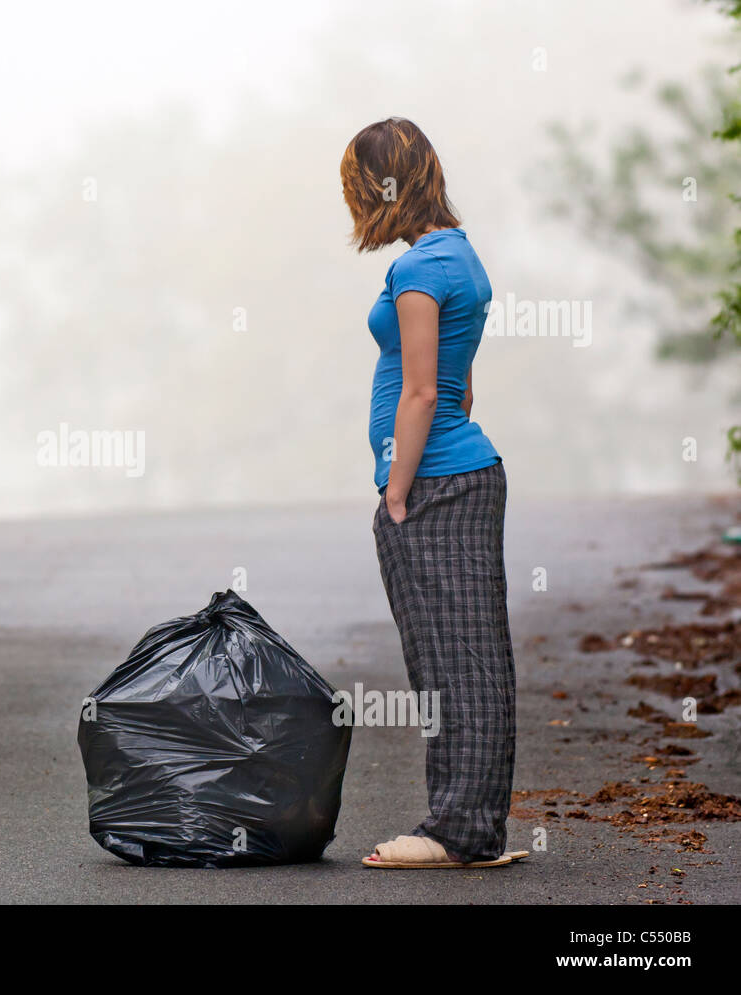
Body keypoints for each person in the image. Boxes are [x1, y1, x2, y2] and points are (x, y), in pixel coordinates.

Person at [339, 117, 521, 869]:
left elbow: (421, 393)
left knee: (453, 661)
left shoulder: (417, 273)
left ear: (380, 187)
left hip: (437, 484)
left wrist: (398, 493)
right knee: (467, 657)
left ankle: (459, 831)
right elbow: (462, 383)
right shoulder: (460, 256)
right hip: (461, 472)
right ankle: (467, 824)